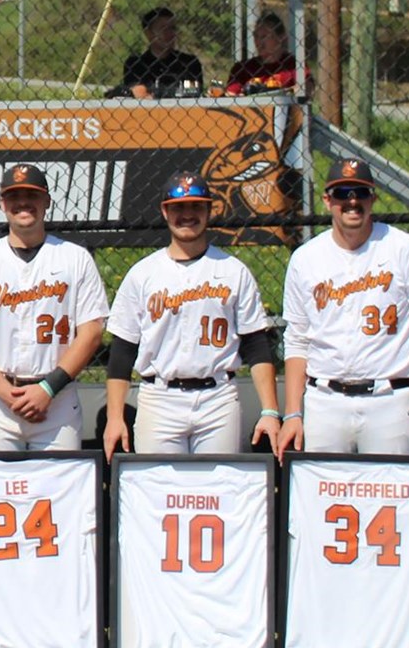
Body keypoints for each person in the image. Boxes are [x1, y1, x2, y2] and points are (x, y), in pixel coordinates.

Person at [277, 158, 409, 457]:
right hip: (325, 401)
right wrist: (293, 413)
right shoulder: (306, 258)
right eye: (342, 193)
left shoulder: (405, 249)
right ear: (327, 200)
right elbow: (297, 339)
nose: (352, 201)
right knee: (325, 495)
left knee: (396, 493)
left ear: (373, 197)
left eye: (360, 192)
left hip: (391, 399)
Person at [105, 171, 282, 456]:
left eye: (195, 206)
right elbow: (122, 351)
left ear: (210, 209)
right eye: (178, 207)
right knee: (158, 487)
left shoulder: (233, 271)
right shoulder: (143, 274)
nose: (187, 215)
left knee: (218, 490)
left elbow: (256, 346)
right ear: (165, 211)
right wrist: (115, 418)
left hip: (218, 398)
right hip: (159, 397)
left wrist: (271, 410)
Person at [0, 164, 108, 452]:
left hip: (57, 400)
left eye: (31, 195)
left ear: (46, 201)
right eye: (14, 195)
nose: (23, 203)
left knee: (59, 492)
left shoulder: (75, 258)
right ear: (2, 203)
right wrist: (2, 389)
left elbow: (92, 332)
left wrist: (48, 388)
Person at [121, 7, 205, 100]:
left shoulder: (188, 62)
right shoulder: (135, 64)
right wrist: (176, 91)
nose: (170, 33)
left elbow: (193, 91)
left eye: (172, 28)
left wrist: (155, 93)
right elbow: (138, 93)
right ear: (149, 34)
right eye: (163, 29)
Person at [225, 12, 306, 95]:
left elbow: (306, 89)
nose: (259, 42)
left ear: (281, 37)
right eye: (256, 36)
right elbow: (230, 94)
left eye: (264, 36)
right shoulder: (242, 68)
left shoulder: (294, 66)